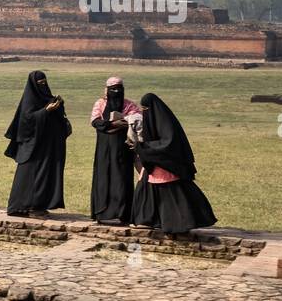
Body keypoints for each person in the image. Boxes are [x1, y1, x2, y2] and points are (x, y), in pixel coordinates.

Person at [132, 93, 217, 234]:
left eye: (146, 108)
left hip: (169, 163)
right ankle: (147, 220)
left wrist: (145, 147)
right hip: (156, 162)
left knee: (172, 192)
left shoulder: (166, 123)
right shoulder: (155, 119)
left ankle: (178, 224)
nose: (144, 111)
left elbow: (168, 143)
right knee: (145, 186)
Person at [4, 70, 70, 216]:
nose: (43, 86)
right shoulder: (29, 100)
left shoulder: (48, 98)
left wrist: (59, 106)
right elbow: (27, 121)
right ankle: (21, 206)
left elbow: (59, 120)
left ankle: (39, 205)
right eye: (40, 84)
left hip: (47, 146)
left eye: (45, 83)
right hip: (32, 147)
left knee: (45, 175)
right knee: (27, 176)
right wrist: (46, 111)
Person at [89, 76, 140, 224]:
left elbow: (137, 119)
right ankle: (101, 213)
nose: (116, 92)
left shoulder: (129, 105)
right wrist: (113, 125)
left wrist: (122, 123)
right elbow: (95, 121)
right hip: (104, 149)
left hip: (123, 148)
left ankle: (123, 214)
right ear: (107, 90)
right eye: (113, 89)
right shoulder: (100, 103)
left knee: (122, 179)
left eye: (119, 89)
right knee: (103, 177)